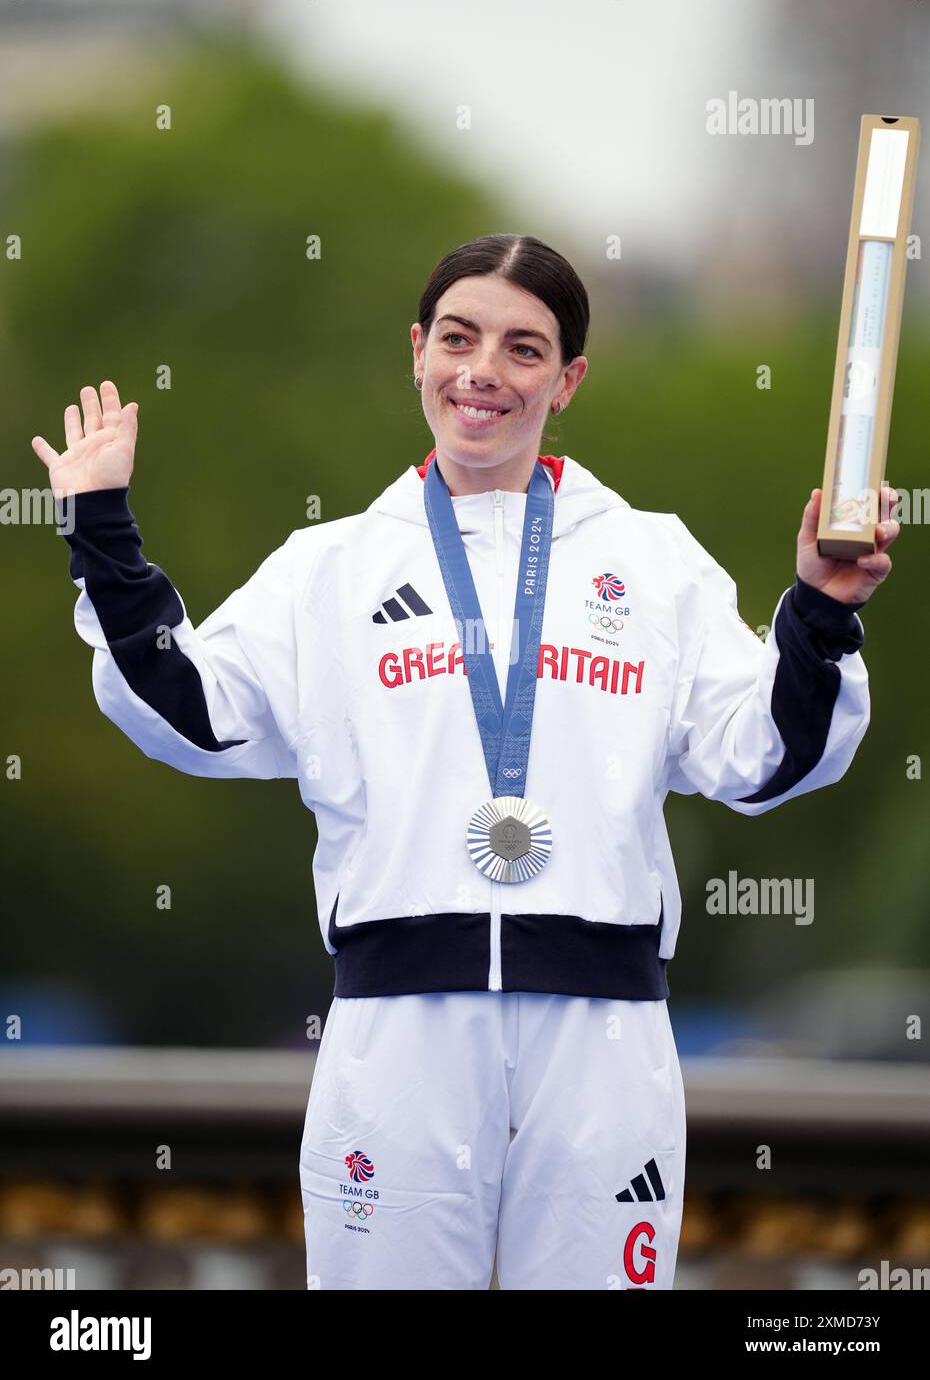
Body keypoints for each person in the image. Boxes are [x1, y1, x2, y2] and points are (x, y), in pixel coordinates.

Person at [33, 233, 898, 1291]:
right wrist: (104, 535)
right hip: (398, 1028)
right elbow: (192, 713)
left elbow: (764, 759)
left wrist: (818, 611)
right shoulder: (332, 568)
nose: (483, 371)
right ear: (418, 350)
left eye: (524, 348)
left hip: (604, 1030)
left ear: (568, 379)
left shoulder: (653, 560)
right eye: (459, 337)